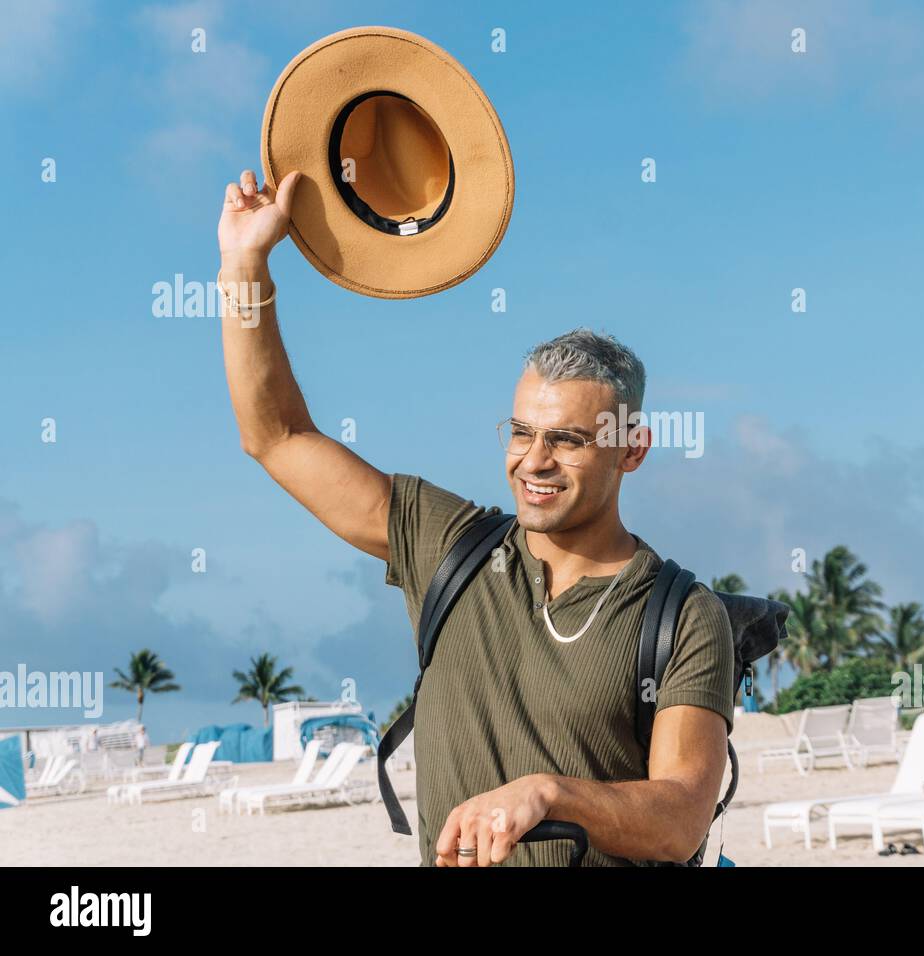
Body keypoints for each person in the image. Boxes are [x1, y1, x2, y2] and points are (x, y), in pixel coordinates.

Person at [216, 169, 734, 867]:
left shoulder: (682, 614)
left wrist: (552, 795)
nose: (535, 461)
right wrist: (244, 264)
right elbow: (276, 436)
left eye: (569, 440)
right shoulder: (449, 548)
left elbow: (679, 818)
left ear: (631, 450)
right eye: (522, 433)